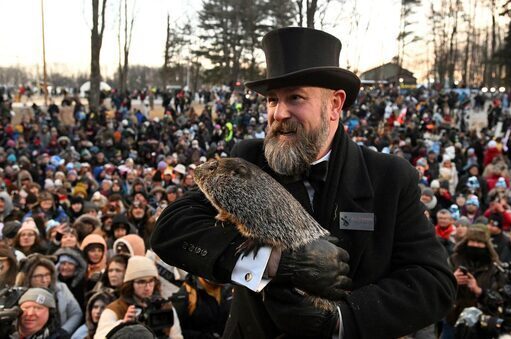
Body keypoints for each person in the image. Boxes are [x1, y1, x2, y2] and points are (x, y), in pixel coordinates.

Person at [151, 27, 456, 338]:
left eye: (295, 97)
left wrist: (341, 319)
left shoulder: (390, 177)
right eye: (272, 100)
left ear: (335, 105)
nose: (279, 113)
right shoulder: (247, 160)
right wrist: (274, 262)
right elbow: (171, 229)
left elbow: (434, 283)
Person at [94, 256, 183, 338]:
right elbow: (99, 336)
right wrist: (123, 324)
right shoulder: (115, 309)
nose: (148, 287)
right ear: (130, 284)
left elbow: (176, 336)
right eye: (141, 282)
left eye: (151, 281)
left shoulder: (163, 306)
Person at [16, 254, 83, 335]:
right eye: (38, 276)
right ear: (28, 277)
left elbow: (76, 313)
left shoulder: (61, 289)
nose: (44, 280)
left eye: (47, 275)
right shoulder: (18, 294)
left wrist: (63, 331)